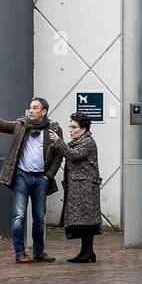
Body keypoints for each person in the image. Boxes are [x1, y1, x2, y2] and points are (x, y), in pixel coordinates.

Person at [0, 98, 63, 264]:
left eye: (35, 108)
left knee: (39, 218)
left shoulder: (54, 129)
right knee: (18, 216)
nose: (31, 111)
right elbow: (2, 125)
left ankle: (39, 252)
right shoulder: (21, 125)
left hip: (41, 179)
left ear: (43, 112)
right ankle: (20, 253)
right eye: (30, 107)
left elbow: (58, 155)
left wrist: (49, 175)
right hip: (22, 176)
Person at [51, 112, 102, 263]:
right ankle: (87, 252)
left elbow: (73, 155)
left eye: (74, 127)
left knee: (86, 220)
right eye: (70, 127)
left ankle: (87, 252)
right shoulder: (79, 141)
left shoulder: (87, 142)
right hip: (79, 187)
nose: (71, 130)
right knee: (83, 220)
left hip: (85, 188)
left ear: (84, 129)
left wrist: (58, 141)